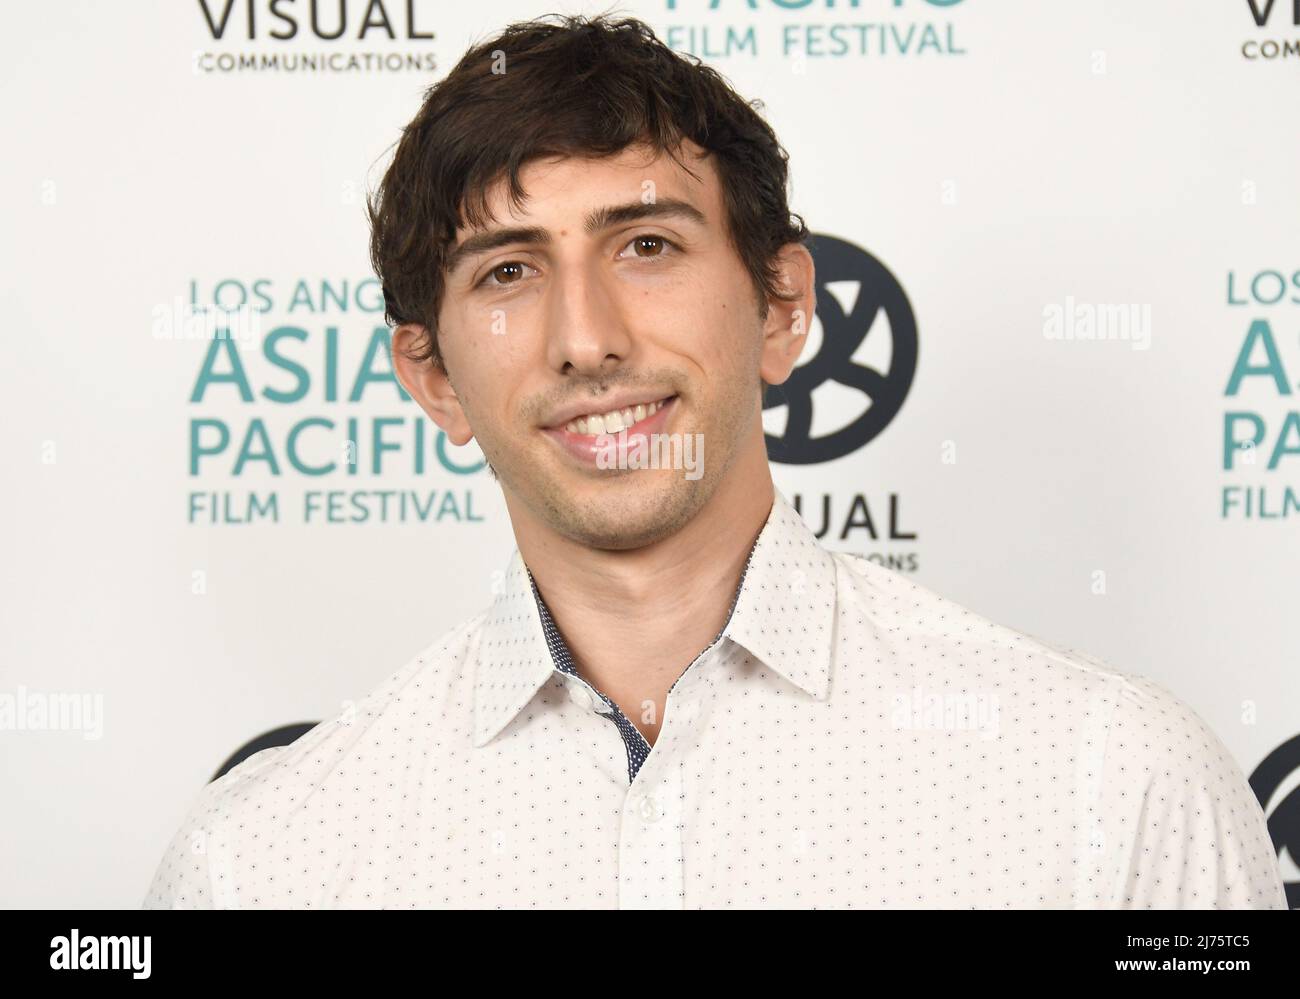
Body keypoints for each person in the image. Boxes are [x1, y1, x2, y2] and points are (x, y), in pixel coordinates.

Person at [143, 13, 1286, 909]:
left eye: (645, 246)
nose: (586, 338)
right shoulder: (261, 864)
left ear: (783, 306)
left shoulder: (1115, 784)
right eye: (507, 271)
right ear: (433, 376)